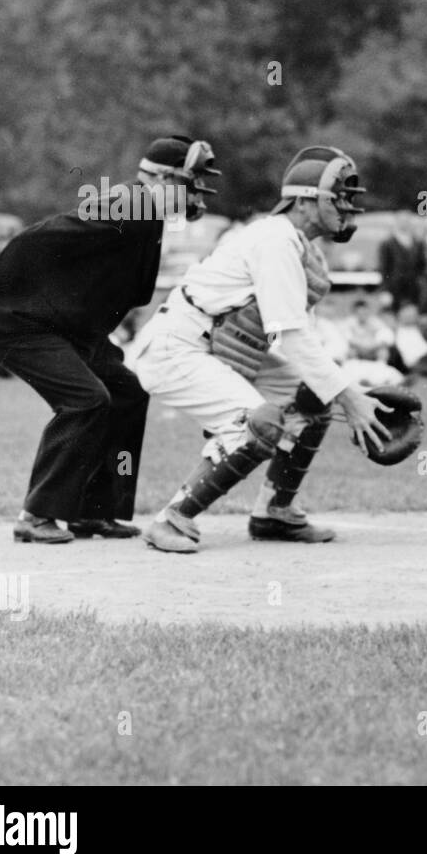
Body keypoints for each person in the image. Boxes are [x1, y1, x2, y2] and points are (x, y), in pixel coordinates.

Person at [133, 146, 390, 554]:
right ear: (305, 200)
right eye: (338, 195)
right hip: (178, 346)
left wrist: (339, 390)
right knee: (259, 423)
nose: (347, 205)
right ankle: (171, 520)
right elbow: (289, 334)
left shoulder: (298, 243)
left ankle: (275, 513)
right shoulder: (275, 241)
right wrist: (351, 396)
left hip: (218, 343)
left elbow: (298, 336)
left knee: (312, 399)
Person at [0, 135, 221, 543]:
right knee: (85, 400)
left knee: (126, 393)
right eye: (191, 182)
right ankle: (35, 515)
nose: (198, 193)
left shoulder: (149, 211)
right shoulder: (133, 201)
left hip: (66, 327)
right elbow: (43, 235)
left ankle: (93, 512)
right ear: (162, 179)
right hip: (20, 323)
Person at [377, 210, 424, 314]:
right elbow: (384, 268)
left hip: (413, 286)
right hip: (394, 286)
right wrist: (385, 290)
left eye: (407, 221)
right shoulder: (387, 243)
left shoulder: (417, 242)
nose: (405, 223)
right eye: (402, 221)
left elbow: (421, 265)